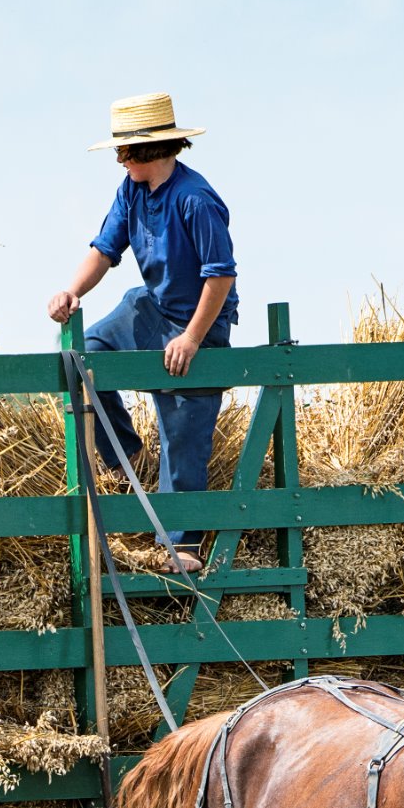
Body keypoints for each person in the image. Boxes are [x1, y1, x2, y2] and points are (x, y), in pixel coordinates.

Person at [46, 93, 239, 573]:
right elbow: (105, 249)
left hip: (201, 321)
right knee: (86, 356)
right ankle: (125, 455)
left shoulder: (196, 200)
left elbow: (220, 276)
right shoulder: (132, 190)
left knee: (183, 432)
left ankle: (182, 545)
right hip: (151, 308)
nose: (119, 159)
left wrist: (192, 338)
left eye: (125, 152)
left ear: (153, 150)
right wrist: (71, 291)